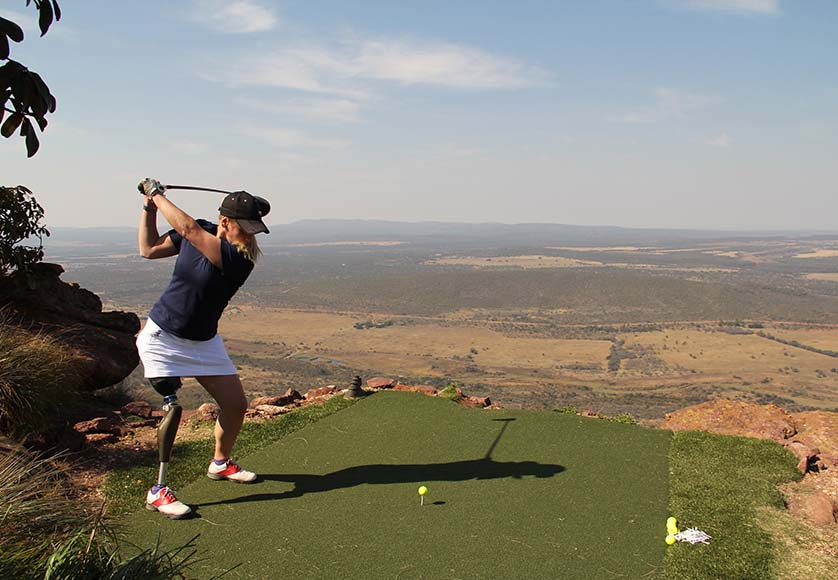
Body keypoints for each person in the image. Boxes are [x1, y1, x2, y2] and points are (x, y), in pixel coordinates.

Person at [135, 178, 270, 518]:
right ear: (225, 221)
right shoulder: (206, 233)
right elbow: (148, 249)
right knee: (173, 409)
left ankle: (220, 462)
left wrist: (156, 193)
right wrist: (148, 208)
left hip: (203, 341)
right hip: (163, 337)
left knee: (236, 405)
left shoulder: (239, 258)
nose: (250, 235)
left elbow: (190, 229)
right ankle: (158, 490)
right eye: (246, 227)